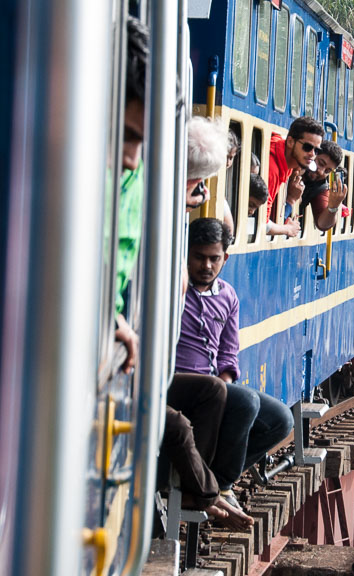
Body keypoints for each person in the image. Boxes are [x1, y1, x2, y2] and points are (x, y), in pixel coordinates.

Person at [115, 18, 249, 529]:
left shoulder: (226, 293)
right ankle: (201, 495)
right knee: (200, 408)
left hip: (155, 366)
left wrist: (226, 371)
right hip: (147, 368)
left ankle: (204, 491)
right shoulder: (144, 203)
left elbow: (229, 351)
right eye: (129, 138)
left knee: (241, 400)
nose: (133, 158)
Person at [175, 218, 293, 509]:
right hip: (176, 382)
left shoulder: (228, 296)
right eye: (199, 258)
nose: (206, 266)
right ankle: (221, 488)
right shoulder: (174, 288)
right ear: (186, 255)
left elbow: (228, 355)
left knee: (281, 420)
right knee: (246, 402)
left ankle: (210, 479)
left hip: (212, 387)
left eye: (214, 259)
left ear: (225, 258)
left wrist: (225, 383)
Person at [265, 116, 324, 237]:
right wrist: (288, 229)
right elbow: (262, 224)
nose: (312, 154)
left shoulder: (285, 157)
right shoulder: (272, 169)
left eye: (316, 150)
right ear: (291, 142)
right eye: (307, 147)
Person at [299, 140, 349, 231]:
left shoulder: (320, 187)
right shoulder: (293, 165)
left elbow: (322, 224)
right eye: (321, 163)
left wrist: (333, 206)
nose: (321, 171)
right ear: (313, 153)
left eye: (327, 171)